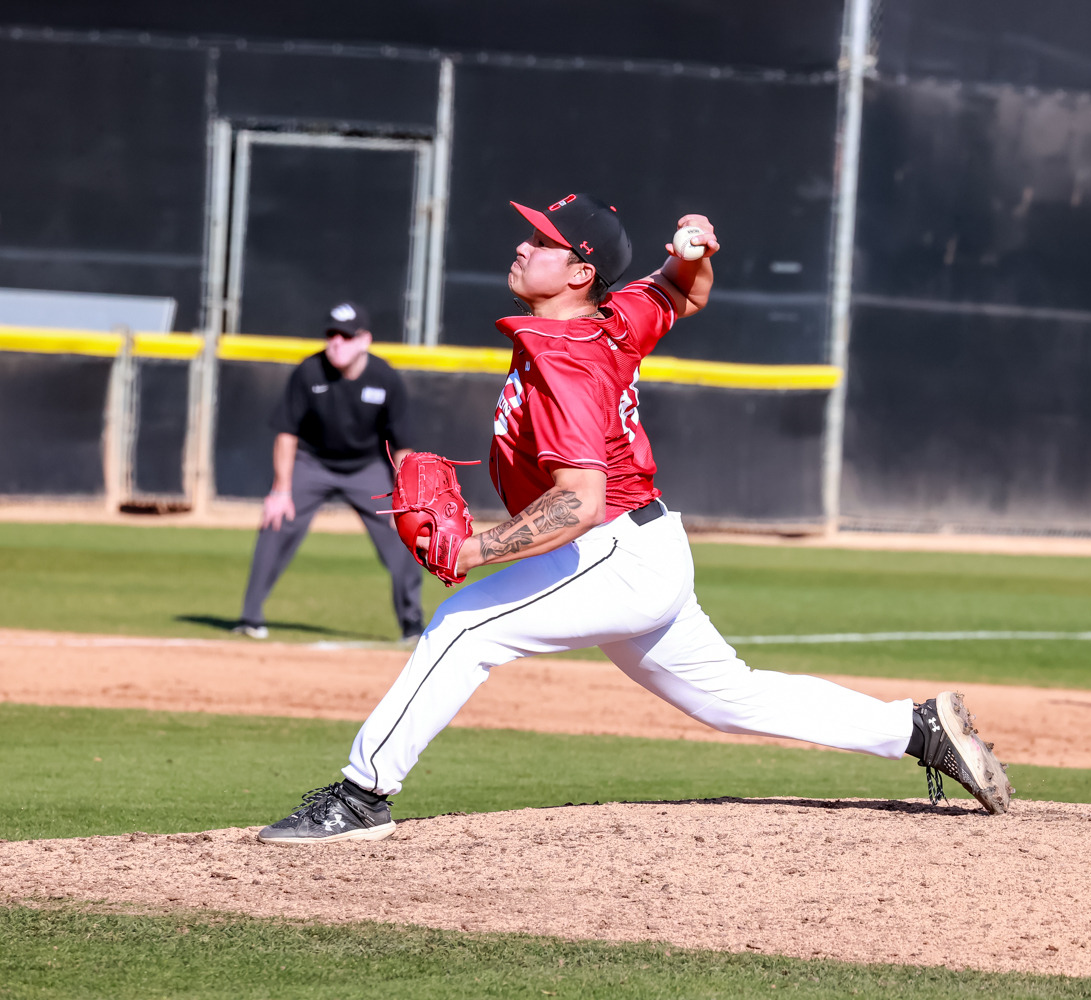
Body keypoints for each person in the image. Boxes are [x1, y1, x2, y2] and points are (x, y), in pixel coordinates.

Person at [256, 194, 1010, 843]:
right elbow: (680, 294)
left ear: (579, 273)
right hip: (644, 546)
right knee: (729, 697)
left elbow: (579, 499)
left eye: (542, 242)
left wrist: (473, 549)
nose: (522, 246)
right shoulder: (614, 316)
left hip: (612, 552)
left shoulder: (566, 360)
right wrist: (690, 256)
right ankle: (916, 729)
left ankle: (361, 798)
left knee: (462, 629)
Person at [231, 301, 425, 643]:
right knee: (276, 521)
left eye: (346, 336)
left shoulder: (384, 377)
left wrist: (404, 500)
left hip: (367, 466)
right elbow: (287, 433)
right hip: (313, 463)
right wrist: (281, 490)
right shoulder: (310, 372)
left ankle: (412, 625)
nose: (336, 342)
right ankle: (250, 617)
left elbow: (402, 447)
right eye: (331, 334)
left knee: (403, 532)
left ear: (364, 340)